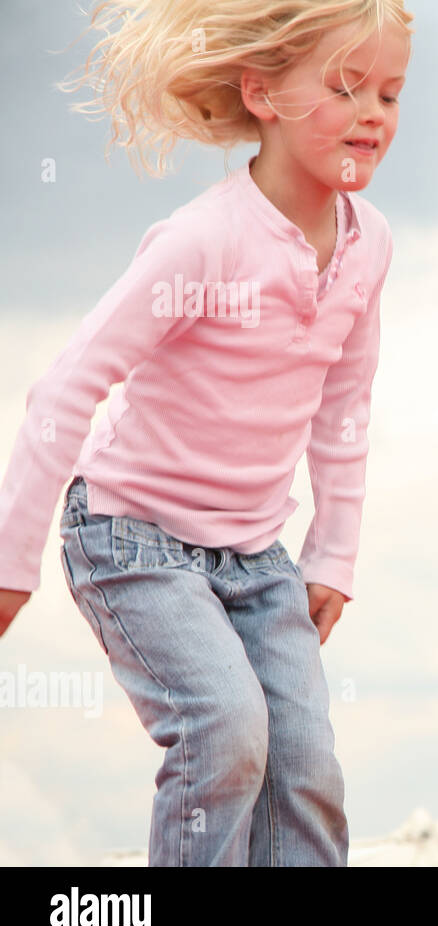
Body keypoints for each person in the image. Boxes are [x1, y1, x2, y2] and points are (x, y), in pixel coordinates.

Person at [0, 0, 412, 865]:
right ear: (261, 90)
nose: (375, 113)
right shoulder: (202, 242)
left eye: (391, 93)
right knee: (226, 732)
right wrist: (10, 563)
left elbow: (345, 402)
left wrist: (332, 550)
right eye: (347, 87)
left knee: (305, 764)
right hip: (131, 538)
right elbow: (68, 386)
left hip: (256, 558)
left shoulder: (368, 245)